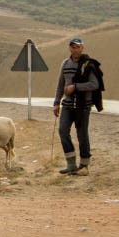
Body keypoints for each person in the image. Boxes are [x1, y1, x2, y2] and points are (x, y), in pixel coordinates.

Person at [52, 37, 100, 175]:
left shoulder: (89, 65)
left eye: (78, 47)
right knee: (62, 131)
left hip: (83, 106)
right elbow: (60, 84)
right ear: (69, 48)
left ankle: (84, 166)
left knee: (82, 135)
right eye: (72, 47)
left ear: (82, 48)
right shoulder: (65, 64)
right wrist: (56, 103)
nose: (75, 49)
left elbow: (94, 84)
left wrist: (76, 87)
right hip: (67, 105)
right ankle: (71, 164)